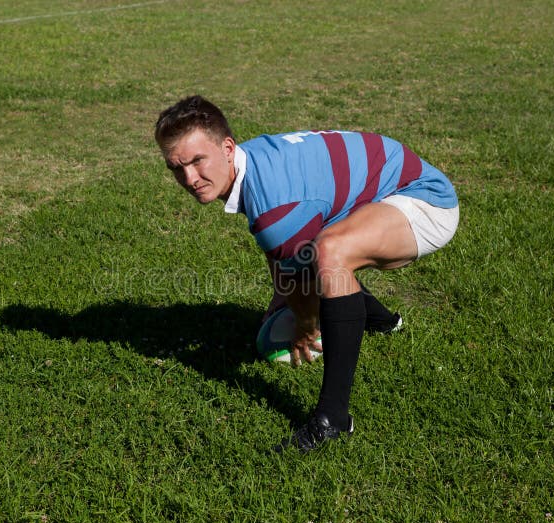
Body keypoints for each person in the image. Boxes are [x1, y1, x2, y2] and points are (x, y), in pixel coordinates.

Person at [154, 95, 459, 452]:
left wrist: (306, 327)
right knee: (312, 250)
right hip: (383, 187)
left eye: (197, 161)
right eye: (177, 168)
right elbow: (283, 248)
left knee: (331, 251)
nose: (189, 178)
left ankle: (333, 420)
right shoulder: (252, 163)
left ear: (227, 147)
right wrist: (283, 292)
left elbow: (293, 263)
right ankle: (381, 321)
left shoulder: (273, 204)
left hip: (426, 200)